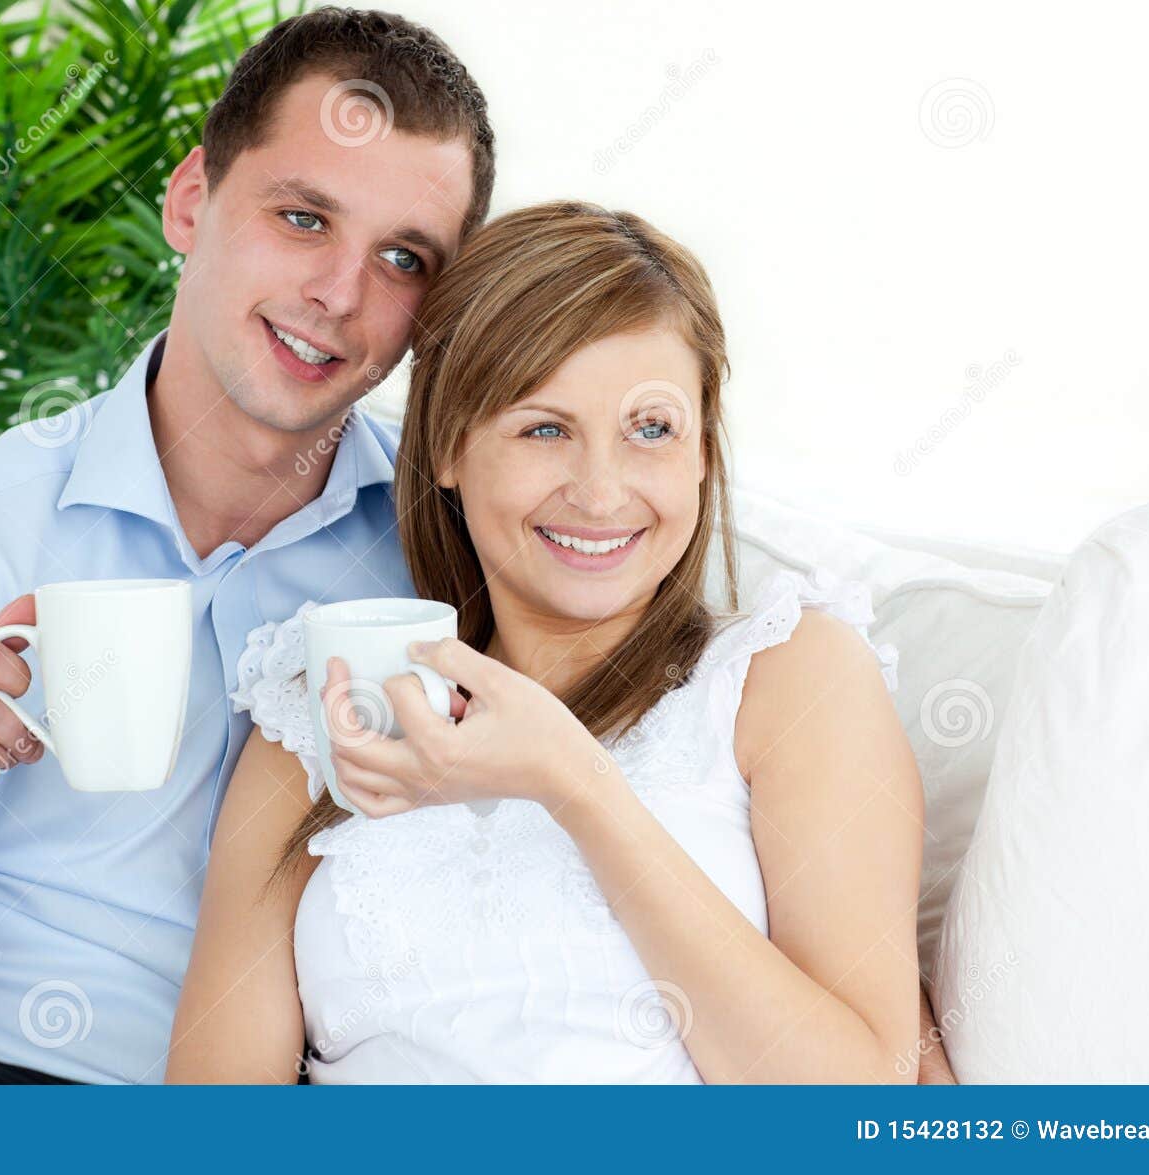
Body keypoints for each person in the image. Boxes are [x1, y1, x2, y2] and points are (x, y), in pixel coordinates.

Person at [0, 7, 495, 1085]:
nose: (340, 294)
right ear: (190, 201)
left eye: (402, 257)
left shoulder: (457, 555)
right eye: (302, 218)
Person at [167, 202, 929, 1083]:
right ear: (447, 447)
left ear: (702, 454)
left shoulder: (789, 677)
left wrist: (574, 781)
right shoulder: (321, 712)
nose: (600, 493)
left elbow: (857, 1111)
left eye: (652, 429)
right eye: (544, 428)